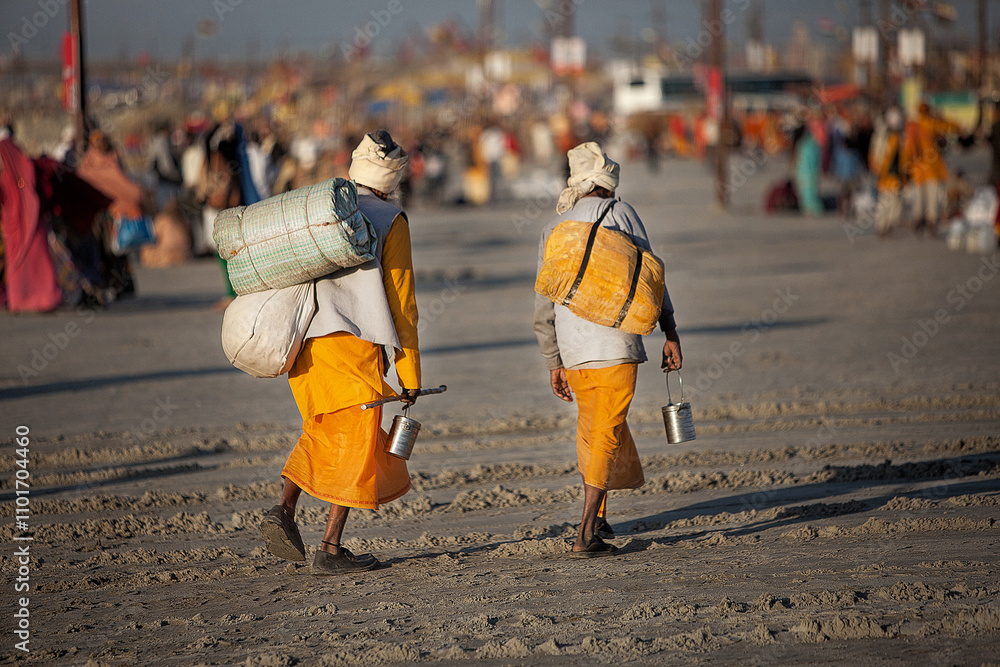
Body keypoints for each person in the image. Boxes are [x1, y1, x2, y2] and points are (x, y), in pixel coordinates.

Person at [259, 130, 421, 575]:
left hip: (308, 343)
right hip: (353, 347)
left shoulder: (326, 209)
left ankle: (285, 510)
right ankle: (330, 547)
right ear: (391, 179)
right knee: (356, 442)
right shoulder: (391, 220)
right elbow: (403, 305)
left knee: (321, 431)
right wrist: (409, 374)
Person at [533, 142, 682, 557]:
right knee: (606, 431)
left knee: (593, 428)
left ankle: (597, 518)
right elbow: (652, 278)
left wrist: (553, 361)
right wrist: (670, 330)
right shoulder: (622, 214)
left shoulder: (554, 226)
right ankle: (584, 534)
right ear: (608, 181)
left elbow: (543, 304)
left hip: (573, 346)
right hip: (616, 343)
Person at [869, 107, 909, 239]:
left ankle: (888, 225)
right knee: (886, 201)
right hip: (886, 174)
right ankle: (883, 226)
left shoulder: (898, 136)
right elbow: (877, 155)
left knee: (894, 201)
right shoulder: (883, 136)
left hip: (894, 174)